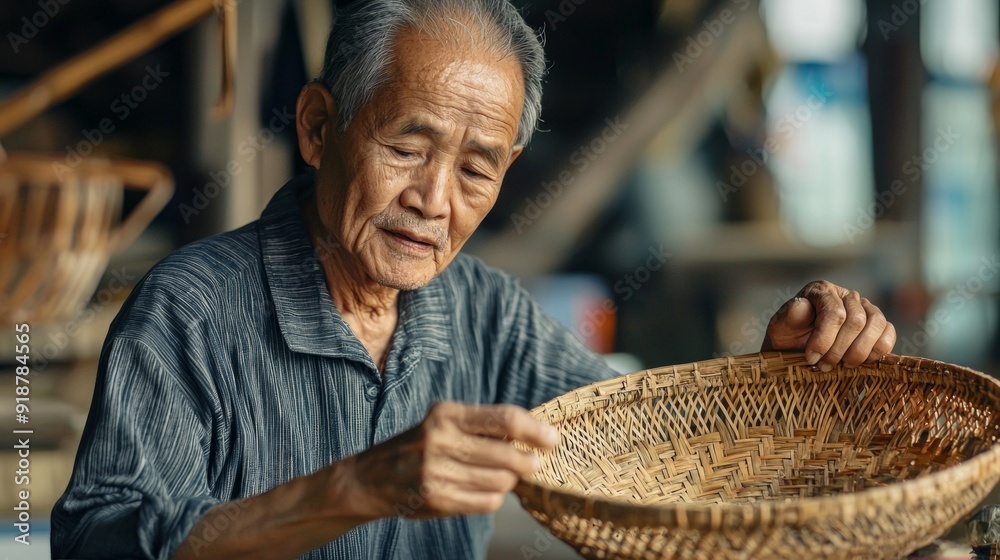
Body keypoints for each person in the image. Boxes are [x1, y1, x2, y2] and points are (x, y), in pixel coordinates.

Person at [50, 0, 897, 558]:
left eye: (476, 171)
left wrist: (773, 372)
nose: (433, 202)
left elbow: (642, 447)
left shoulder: (484, 311)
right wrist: (355, 488)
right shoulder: (191, 311)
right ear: (318, 128)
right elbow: (96, 543)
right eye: (407, 148)